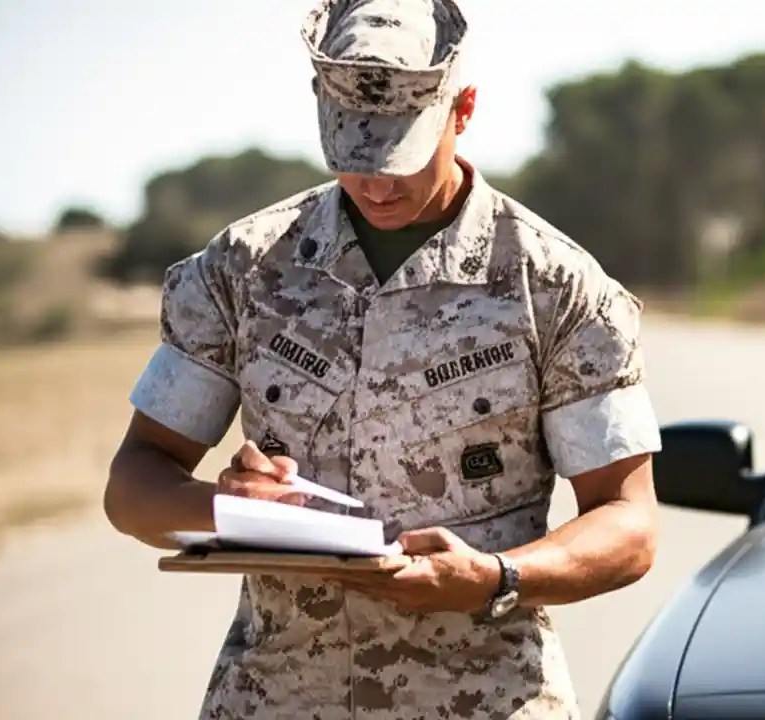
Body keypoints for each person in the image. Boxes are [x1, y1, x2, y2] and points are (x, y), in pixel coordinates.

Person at [101, 0, 664, 717]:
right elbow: (136, 482)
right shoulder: (243, 270)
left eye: (400, 153)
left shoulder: (554, 285)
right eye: (352, 153)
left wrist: (497, 576)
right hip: (277, 698)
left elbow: (629, 521)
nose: (375, 184)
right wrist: (232, 508)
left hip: (485, 699)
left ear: (462, 110)